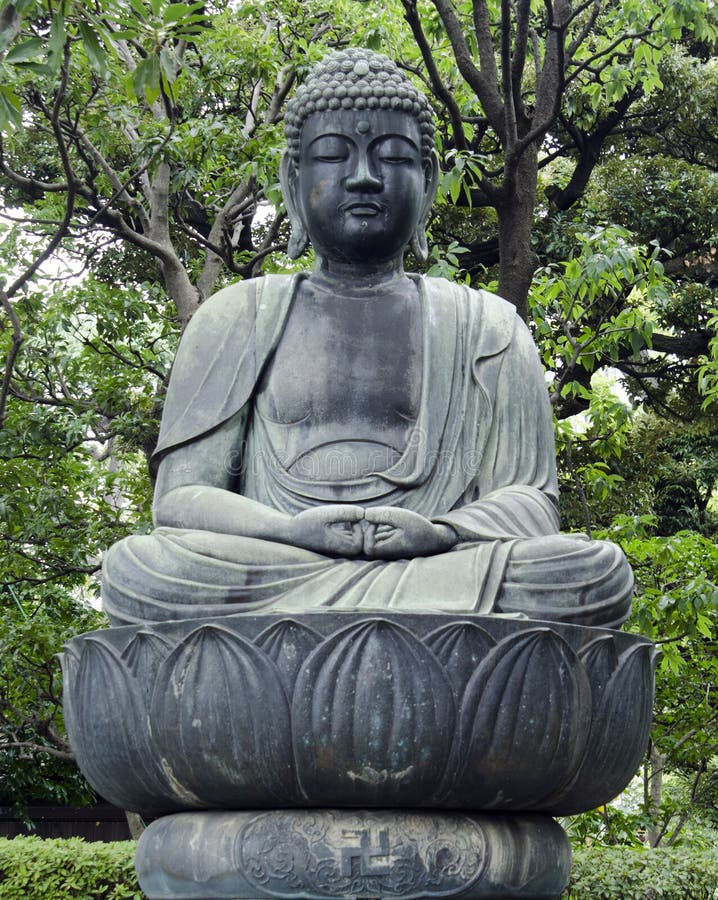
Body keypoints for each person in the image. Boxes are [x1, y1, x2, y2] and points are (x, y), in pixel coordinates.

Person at [102, 49, 632, 628]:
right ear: (293, 179)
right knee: (139, 568)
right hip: (280, 562)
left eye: (393, 156)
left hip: (438, 565)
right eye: (334, 154)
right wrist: (290, 531)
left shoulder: (490, 327)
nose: (363, 176)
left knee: (589, 572)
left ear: (427, 181)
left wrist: (440, 532)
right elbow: (180, 499)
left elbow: (530, 503)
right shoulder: (236, 316)